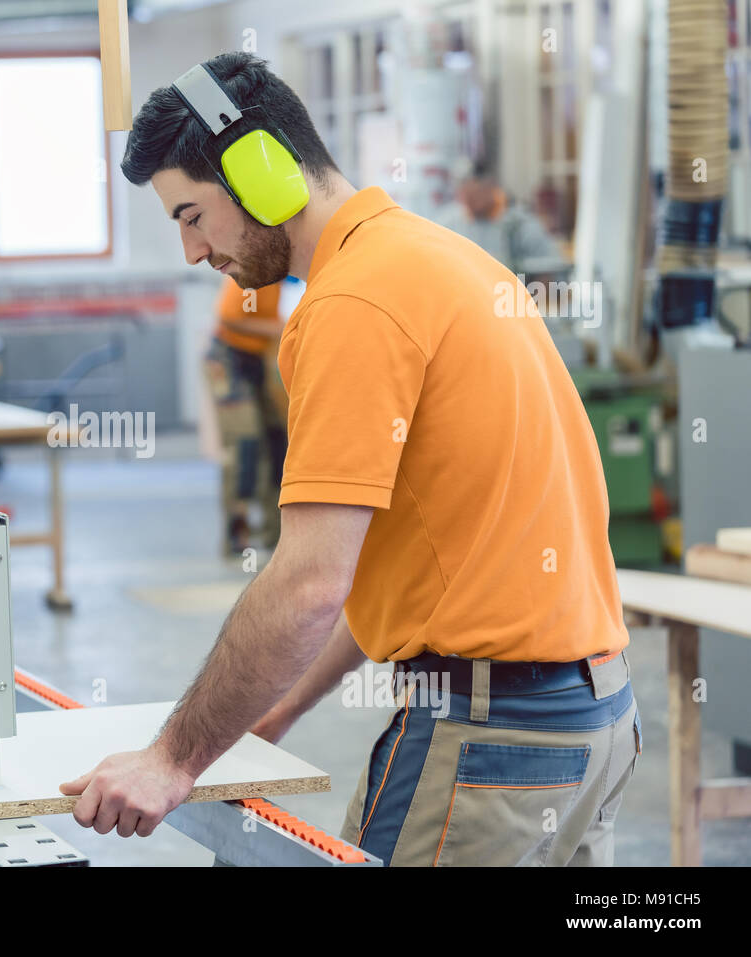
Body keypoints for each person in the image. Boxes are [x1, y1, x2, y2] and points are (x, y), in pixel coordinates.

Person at [59, 52, 639, 866]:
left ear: (261, 171)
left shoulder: (351, 305)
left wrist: (171, 760)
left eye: (192, 215)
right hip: (597, 723)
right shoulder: (447, 259)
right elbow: (389, 565)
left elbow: (308, 582)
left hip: (492, 740)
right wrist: (275, 708)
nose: (193, 251)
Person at [205, 275, 296, 554]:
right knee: (245, 440)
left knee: (277, 438)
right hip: (228, 359)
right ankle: (237, 530)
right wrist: (279, 328)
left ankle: (276, 531)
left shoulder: (280, 281)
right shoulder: (254, 273)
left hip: (258, 360)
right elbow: (229, 316)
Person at [434, 160, 563, 276]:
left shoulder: (520, 225)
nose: (471, 201)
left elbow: (551, 268)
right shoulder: (448, 224)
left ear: (492, 188)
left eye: (477, 194)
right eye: (465, 194)